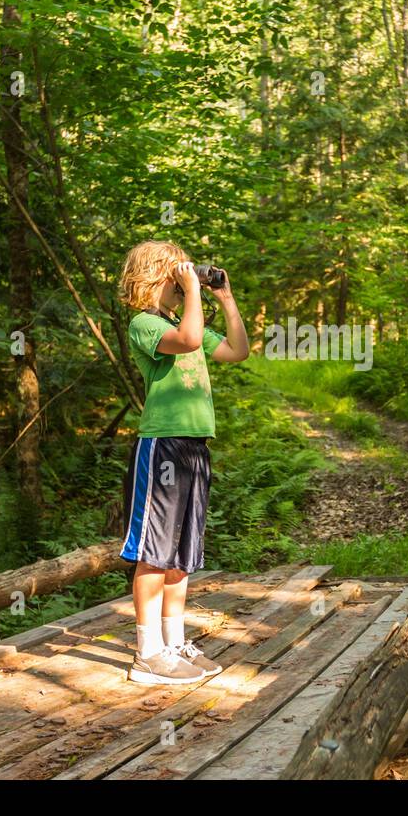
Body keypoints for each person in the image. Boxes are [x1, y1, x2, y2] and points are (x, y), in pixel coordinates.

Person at [116, 240, 250, 685]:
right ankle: (147, 654)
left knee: (180, 553)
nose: (183, 280)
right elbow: (190, 339)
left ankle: (173, 644)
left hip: (195, 446)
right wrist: (192, 287)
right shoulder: (145, 324)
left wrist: (224, 298)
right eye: (175, 273)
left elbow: (236, 350)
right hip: (163, 446)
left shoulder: (180, 319)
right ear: (157, 277)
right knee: (154, 551)